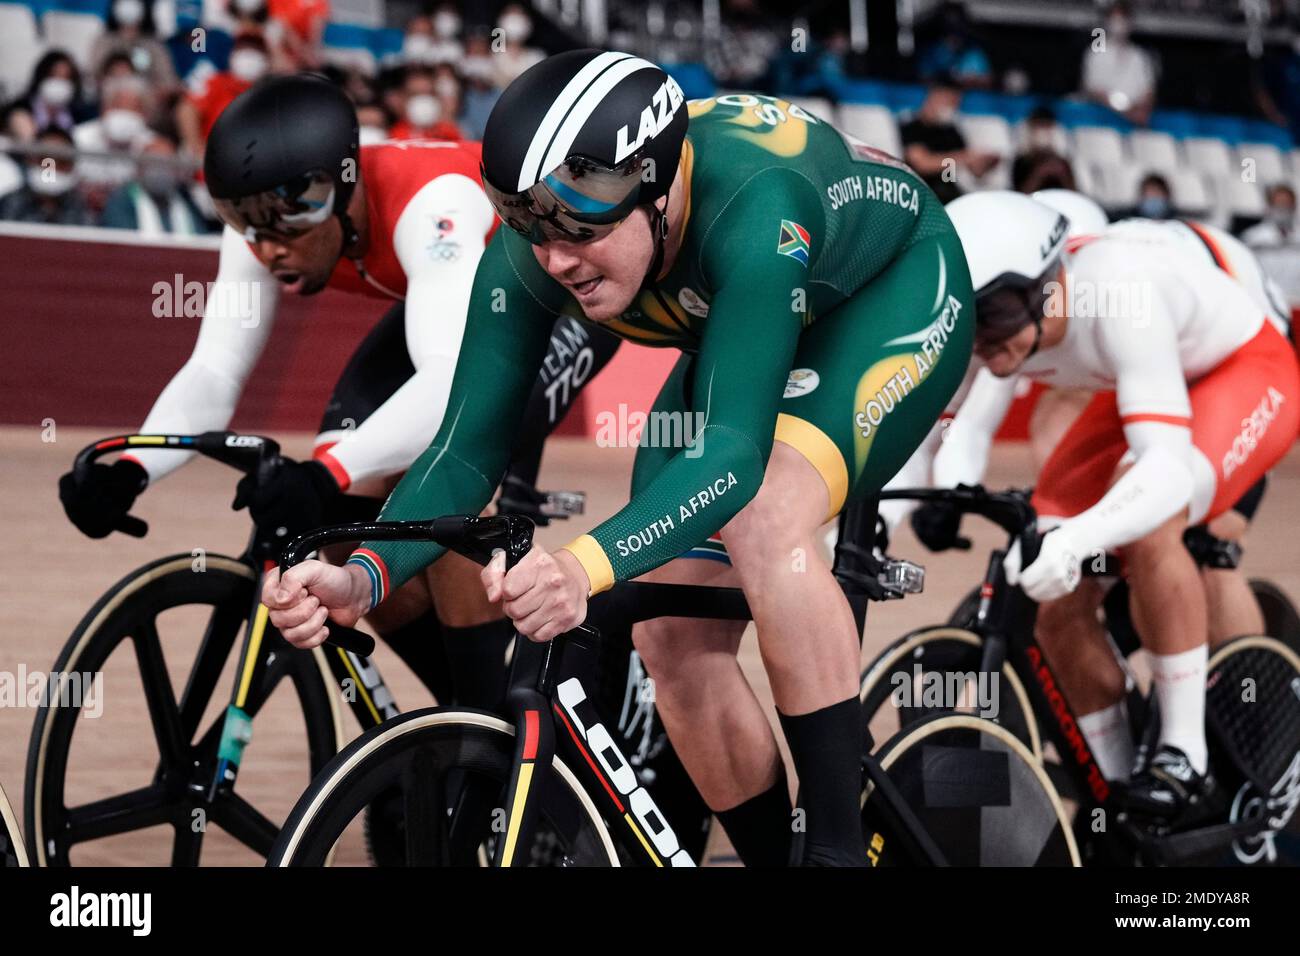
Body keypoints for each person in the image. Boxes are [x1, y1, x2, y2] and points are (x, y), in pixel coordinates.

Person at [260, 50, 975, 867]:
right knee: (668, 639)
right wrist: (365, 577)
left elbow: (732, 457)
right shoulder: (535, 244)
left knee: (764, 515)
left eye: (584, 232)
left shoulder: (756, 205)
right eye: (535, 231)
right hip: (739, 319)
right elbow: (465, 451)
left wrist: (578, 568)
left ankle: (837, 854)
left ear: (658, 191)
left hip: (889, 293)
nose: (557, 261)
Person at [59, 74, 619, 708]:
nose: (270, 247)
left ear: (345, 187)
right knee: (342, 523)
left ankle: (487, 728)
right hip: (464, 313)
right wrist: (133, 467)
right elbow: (215, 370)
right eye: (245, 224)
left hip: (563, 303)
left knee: (442, 477)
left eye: (291, 222)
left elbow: (448, 388)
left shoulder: (432, 204)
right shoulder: (264, 221)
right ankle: (462, 720)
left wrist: (323, 473)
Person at [940, 191, 1299, 818]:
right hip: (1156, 377)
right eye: (970, 325)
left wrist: (1084, 537)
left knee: (1161, 524)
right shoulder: (1005, 318)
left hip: (1246, 370)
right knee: (1053, 590)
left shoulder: (1122, 288)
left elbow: (1165, 472)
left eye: (992, 320)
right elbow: (955, 425)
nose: (982, 344)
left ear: (1047, 288)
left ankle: (1188, 753)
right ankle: (1115, 791)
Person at [901, 76, 999, 204]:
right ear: (934, 97)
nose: (954, 107)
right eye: (951, 101)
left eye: (957, 103)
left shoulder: (951, 131)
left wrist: (985, 162)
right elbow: (922, 164)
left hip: (950, 193)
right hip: (919, 194)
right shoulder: (911, 127)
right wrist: (965, 157)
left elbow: (974, 171)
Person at [176, 32, 272, 157]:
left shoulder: (270, 95)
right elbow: (186, 110)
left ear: (267, 59)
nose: (248, 55)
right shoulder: (216, 83)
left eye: (255, 50)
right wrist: (196, 146)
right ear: (232, 54)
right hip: (213, 159)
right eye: (242, 49)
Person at [100, 134, 207, 235]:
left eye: (167, 165)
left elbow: (200, 237)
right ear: (139, 168)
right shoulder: (122, 201)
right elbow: (122, 239)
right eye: (155, 164)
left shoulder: (186, 200)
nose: (161, 171)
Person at [0, 126, 96, 226]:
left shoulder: (82, 207)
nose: (51, 170)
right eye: (45, 160)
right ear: (30, 160)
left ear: (72, 165)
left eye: (61, 161)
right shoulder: (9, 203)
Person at [1080, 1, 1156, 125]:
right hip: (1101, 120)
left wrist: (1141, 111)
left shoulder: (1140, 56)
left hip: (1134, 122)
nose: (1119, 24)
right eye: (1115, 19)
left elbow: (1148, 91)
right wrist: (1123, 109)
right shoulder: (1096, 53)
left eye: (1123, 19)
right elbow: (1092, 89)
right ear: (1107, 22)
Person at [89, 0, 180, 95]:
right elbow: (93, 77)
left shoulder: (154, 46)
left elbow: (168, 81)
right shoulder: (104, 43)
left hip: (147, 98)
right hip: (110, 97)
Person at [2, 51, 93, 143]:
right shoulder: (20, 110)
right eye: (54, 75)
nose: (59, 82)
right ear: (42, 76)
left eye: (66, 77)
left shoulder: (78, 115)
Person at [917, 3, 993, 90]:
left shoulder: (974, 53)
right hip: (938, 94)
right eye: (950, 30)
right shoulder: (933, 52)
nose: (954, 38)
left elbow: (987, 80)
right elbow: (923, 77)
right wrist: (944, 78)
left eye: (958, 31)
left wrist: (967, 80)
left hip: (969, 95)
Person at [1011, 106, 1076, 193]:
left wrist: (1062, 175)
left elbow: (1073, 194)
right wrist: (1040, 173)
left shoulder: (1063, 163)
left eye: (1047, 127)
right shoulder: (1021, 162)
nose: (1042, 133)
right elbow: (1019, 195)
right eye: (1039, 126)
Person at [389, 66, 462, 141]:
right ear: (403, 99)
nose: (422, 102)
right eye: (415, 95)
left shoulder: (449, 132)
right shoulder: (396, 136)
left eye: (427, 94)